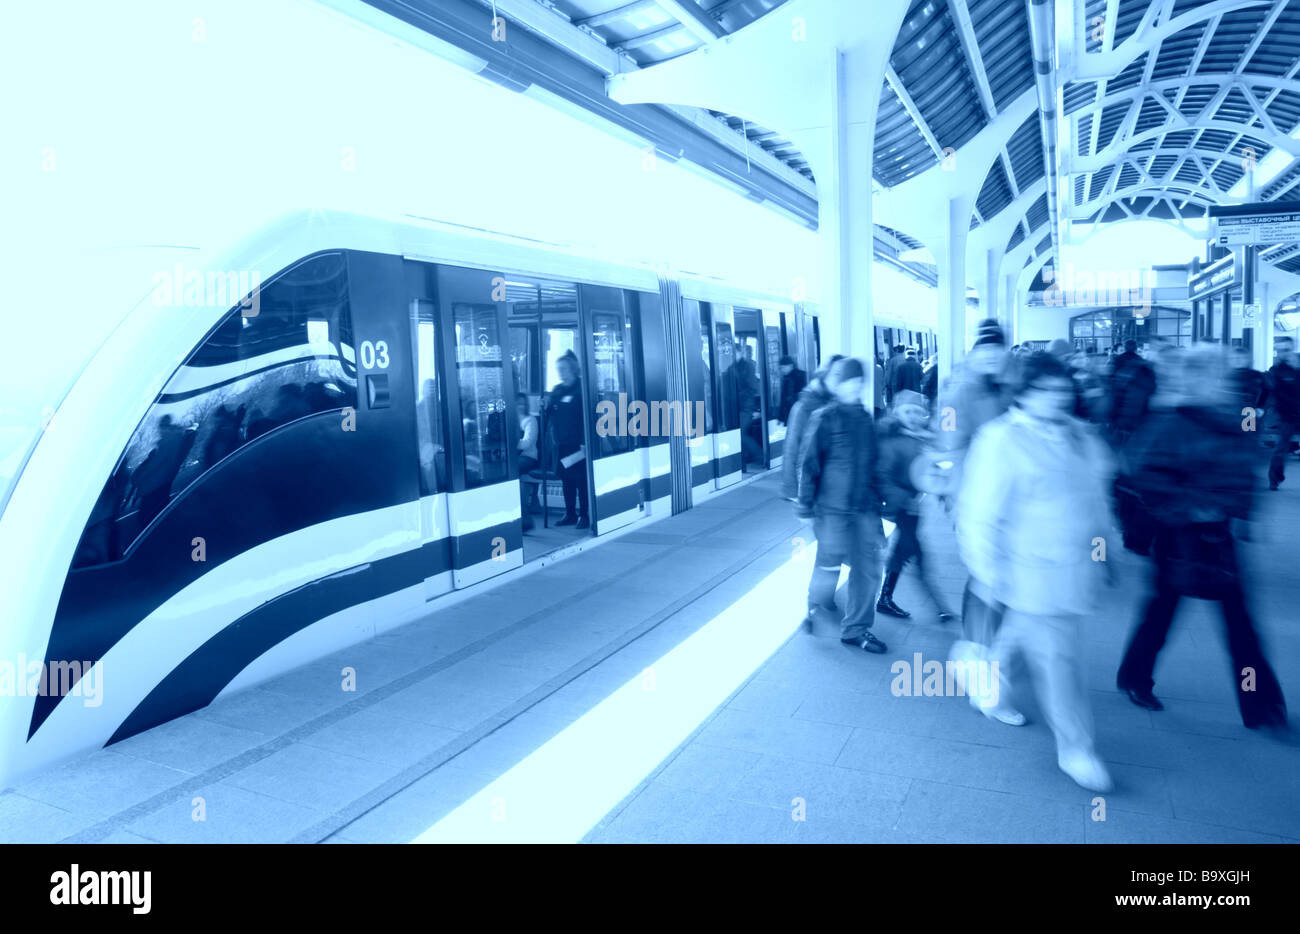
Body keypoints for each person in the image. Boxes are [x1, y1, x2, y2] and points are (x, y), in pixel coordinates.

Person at [957, 352, 1115, 792]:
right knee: (1060, 661)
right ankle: (1076, 749)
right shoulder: (999, 440)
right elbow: (978, 514)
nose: (1058, 398)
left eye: (1063, 390)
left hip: (1072, 570)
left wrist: (1106, 551)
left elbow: (1097, 499)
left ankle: (983, 674)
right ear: (1024, 394)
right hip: (1030, 570)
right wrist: (986, 572)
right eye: (1047, 390)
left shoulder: (1080, 435)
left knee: (1022, 635)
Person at [1116, 346, 1287, 731]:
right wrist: (1193, 508)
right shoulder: (1170, 421)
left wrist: (1241, 510)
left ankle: (1261, 705)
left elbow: (1247, 465)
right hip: (1179, 538)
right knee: (1161, 613)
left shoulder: (1238, 415)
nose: (1216, 380)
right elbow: (1147, 477)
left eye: (1218, 373)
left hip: (1219, 538)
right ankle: (1135, 676)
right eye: (1207, 373)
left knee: (1240, 625)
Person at [796, 357, 888, 654]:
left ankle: (856, 630)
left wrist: (878, 509)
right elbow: (809, 464)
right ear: (838, 385)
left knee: (869, 569)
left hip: (864, 509)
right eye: (849, 381)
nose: (854, 387)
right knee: (828, 564)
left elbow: (874, 467)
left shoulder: (865, 419)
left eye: (859, 382)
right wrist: (805, 507)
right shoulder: (824, 417)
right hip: (831, 509)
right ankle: (814, 607)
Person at [874, 389, 955, 623]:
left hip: (911, 506)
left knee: (902, 552)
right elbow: (883, 475)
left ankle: (885, 598)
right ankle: (938, 605)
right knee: (918, 554)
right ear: (897, 411)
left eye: (917, 412)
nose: (911, 416)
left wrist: (945, 495)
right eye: (907, 411)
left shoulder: (922, 438)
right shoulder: (892, 438)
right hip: (901, 505)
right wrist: (903, 500)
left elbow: (931, 470)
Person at [781, 354, 843, 501]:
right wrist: (792, 491)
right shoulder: (804, 407)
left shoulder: (842, 405)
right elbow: (792, 449)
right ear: (826, 374)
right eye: (836, 374)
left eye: (844, 376)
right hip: (816, 490)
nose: (840, 380)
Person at [545, 350, 589, 529]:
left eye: (563, 369)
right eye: (558, 369)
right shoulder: (557, 390)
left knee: (580, 480)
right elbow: (548, 414)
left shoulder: (581, 390)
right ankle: (569, 513)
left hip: (578, 444)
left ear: (572, 369)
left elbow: (586, 417)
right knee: (566, 480)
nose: (560, 372)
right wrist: (545, 404)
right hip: (561, 444)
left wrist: (584, 441)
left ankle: (584, 515)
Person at [1264, 336, 1300, 490]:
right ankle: (1274, 478)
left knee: (1282, 448)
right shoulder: (1276, 371)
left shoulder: (1297, 366)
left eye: (1286, 349)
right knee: (1281, 448)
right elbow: (1277, 394)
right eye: (1280, 350)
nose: (1283, 353)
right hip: (1288, 415)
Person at [515, 392, 540, 531]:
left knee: (512, 472)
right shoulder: (508, 419)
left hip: (528, 457)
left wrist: (511, 443)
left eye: (523, 403)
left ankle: (525, 517)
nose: (520, 406)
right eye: (518, 403)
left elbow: (527, 443)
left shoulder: (530, 420)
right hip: (514, 457)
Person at [777, 355, 806, 425]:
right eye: (780, 368)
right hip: (800, 413)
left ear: (790, 365)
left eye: (783, 367)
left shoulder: (789, 379)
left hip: (793, 413)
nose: (782, 370)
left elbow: (784, 400)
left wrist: (781, 417)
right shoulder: (803, 375)